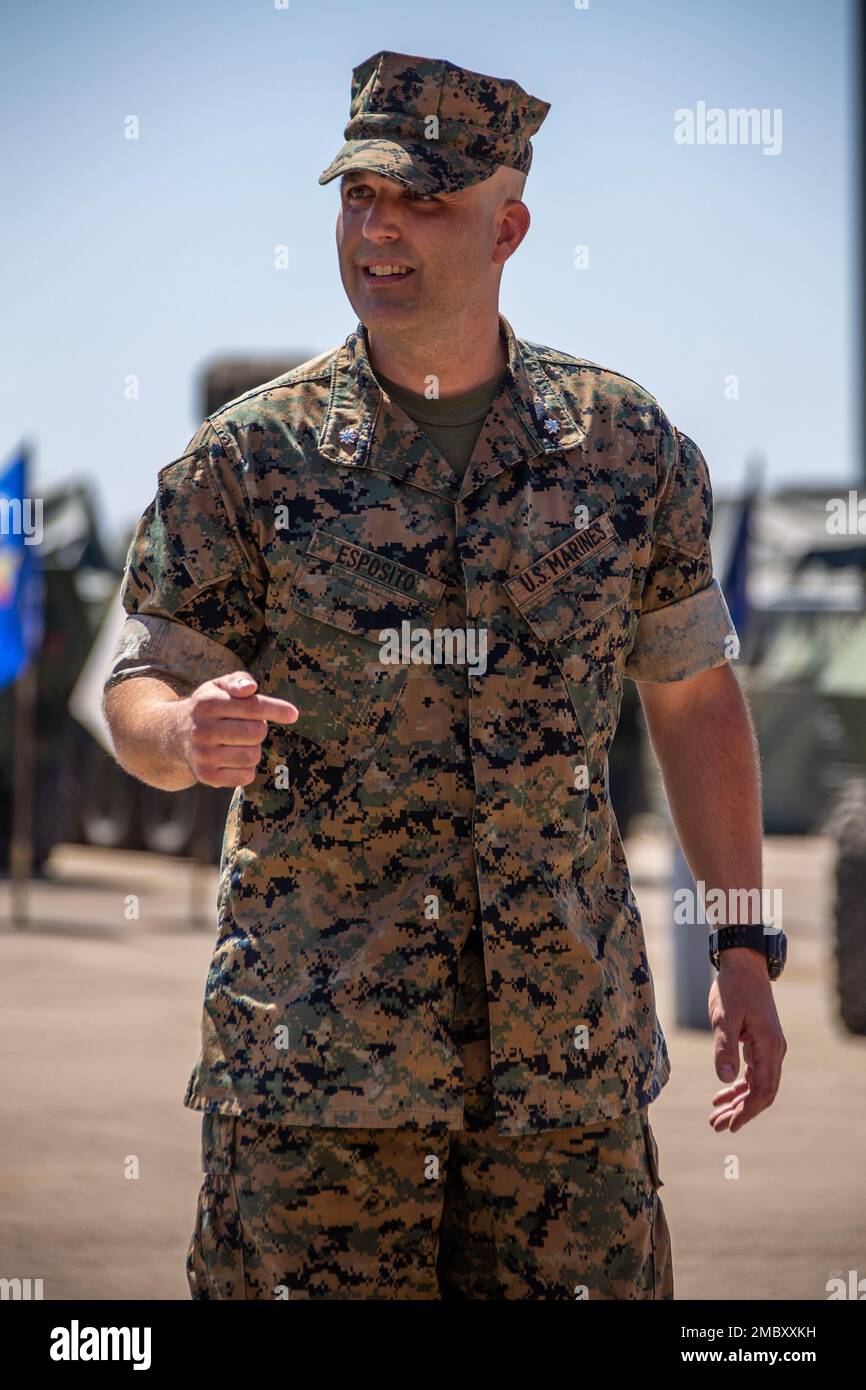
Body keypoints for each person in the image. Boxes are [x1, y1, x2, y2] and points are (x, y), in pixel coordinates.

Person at [102, 49, 787, 1301]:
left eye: (420, 200)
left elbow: (692, 695)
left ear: (507, 225)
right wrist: (179, 732)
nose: (378, 227)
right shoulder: (249, 461)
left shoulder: (623, 449)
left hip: (562, 1090)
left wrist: (739, 943)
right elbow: (140, 687)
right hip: (317, 1083)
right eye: (358, 194)